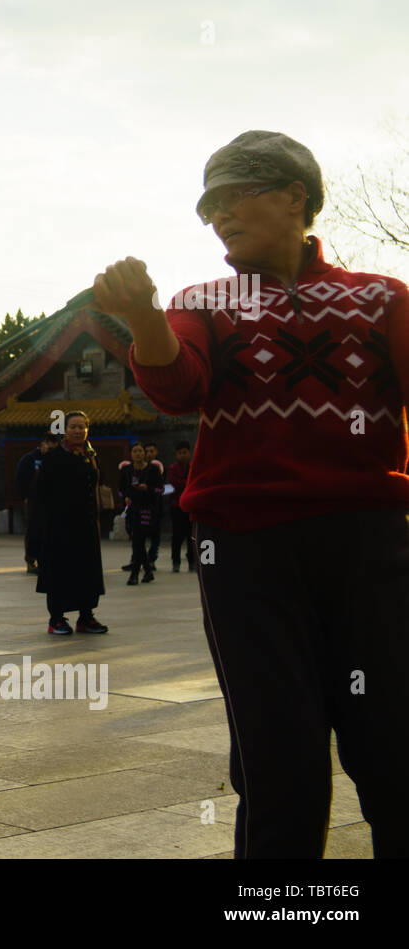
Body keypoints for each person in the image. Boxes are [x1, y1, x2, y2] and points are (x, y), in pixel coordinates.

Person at [93, 129, 409, 857]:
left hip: (369, 544)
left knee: (394, 744)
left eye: (236, 197)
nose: (221, 218)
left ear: (296, 195)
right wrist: (141, 314)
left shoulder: (380, 299)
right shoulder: (203, 301)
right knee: (280, 757)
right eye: (211, 209)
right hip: (246, 551)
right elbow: (178, 384)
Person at [33, 411, 107, 636]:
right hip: (60, 526)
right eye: (73, 426)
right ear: (64, 430)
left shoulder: (90, 454)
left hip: (86, 525)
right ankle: (56, 618)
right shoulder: (54, 457)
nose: (78, 431)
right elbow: (41, 494)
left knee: (88, 571)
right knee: (60, 572)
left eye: (82, 426)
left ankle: (86, 617)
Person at [118, 442, 162, 585]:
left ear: (144, 453)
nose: (138, 454)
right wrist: (125, 496)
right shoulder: (126, 470)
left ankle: (135, 573)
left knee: (139, 540)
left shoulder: (153, 470)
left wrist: (147, 488)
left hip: (147, 509)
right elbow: (120, 489)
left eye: (140, 451)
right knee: (138, 541)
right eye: (135, 451)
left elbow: (160, 489)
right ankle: (148, 570)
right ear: (131, 454)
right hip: (132, 509)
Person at [16, 433, 58, 574]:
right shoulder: (30, 459)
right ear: (42, 444)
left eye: (54, 449)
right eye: (49, 447)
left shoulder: (55, 459)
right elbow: (21, 478)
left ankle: (46, 560)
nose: (50, 451)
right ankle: (31, 560)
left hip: (51, 502)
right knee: (33, 531)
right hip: (34, 502)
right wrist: (25, 496)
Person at [166, 441, 195, 572]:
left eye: (185, 452)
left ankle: (192, 561)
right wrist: (188, 484)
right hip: (176, 506)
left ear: (189, 453)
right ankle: (176, 561)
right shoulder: (172, 469)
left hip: (190, 506)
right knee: (177, 535)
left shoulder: (193, 467)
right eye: (180, 453)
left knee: (191, 536)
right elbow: (174, 483)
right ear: (176, 455)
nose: (183, 455)